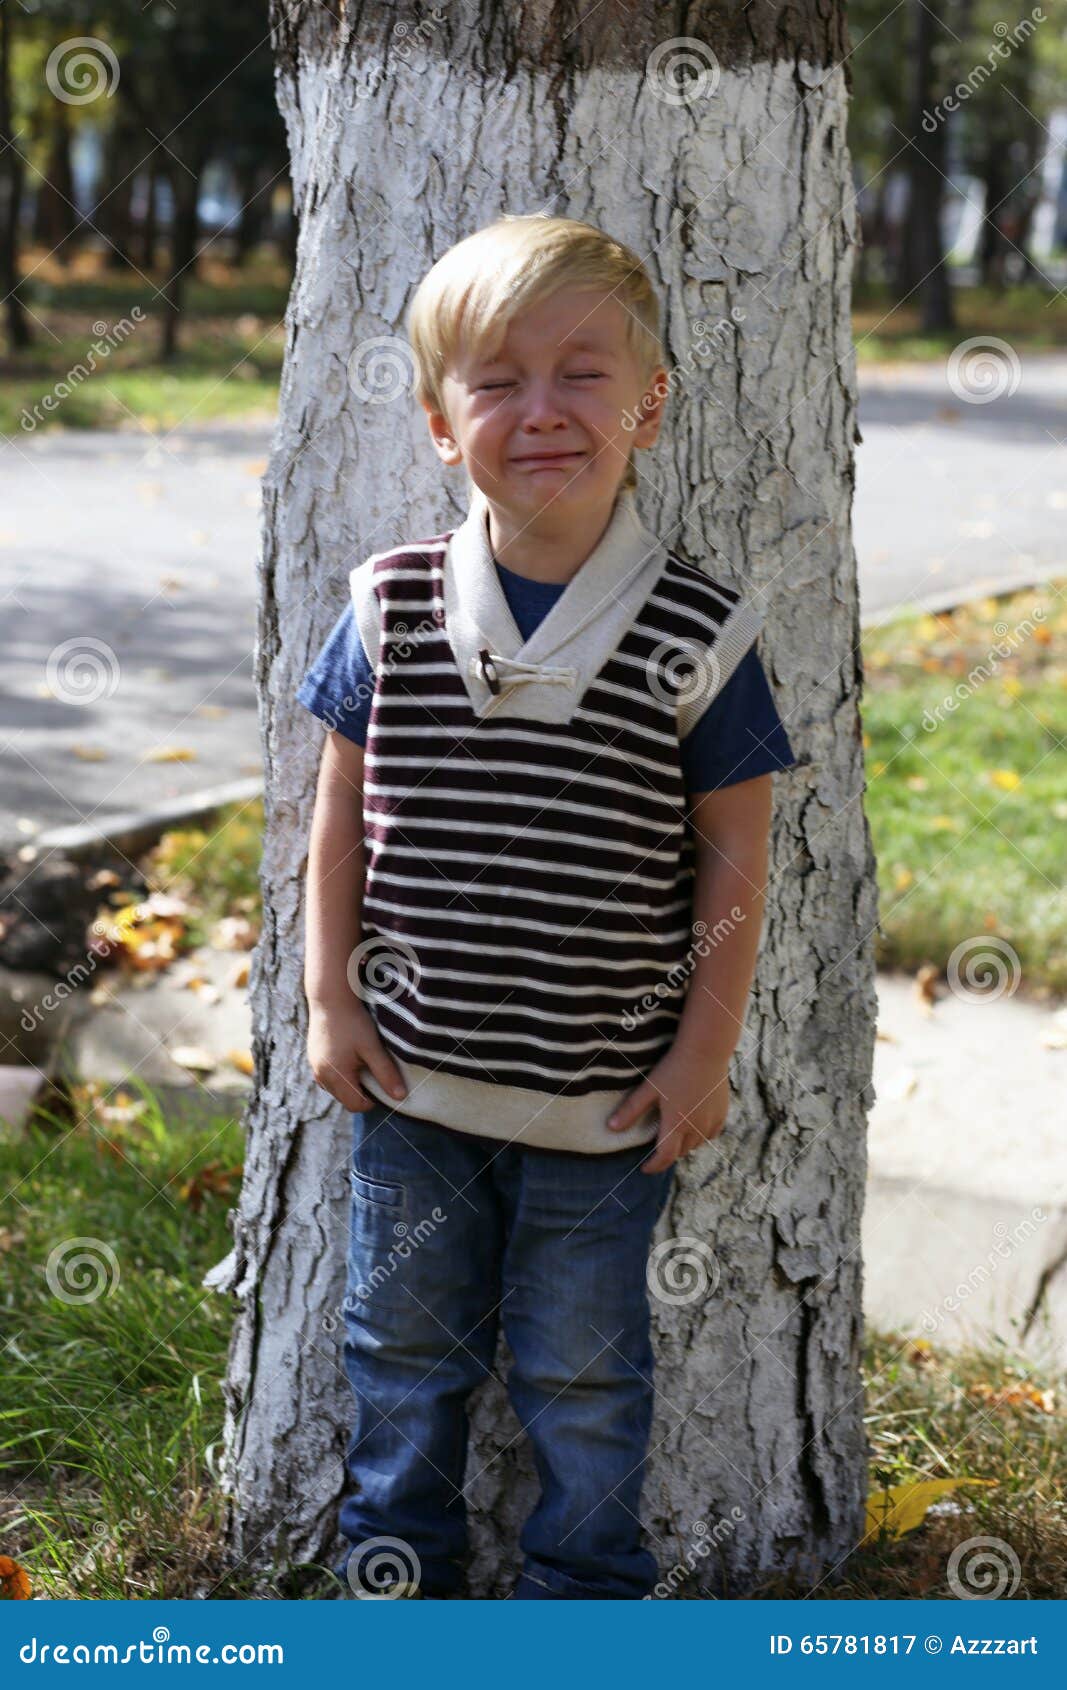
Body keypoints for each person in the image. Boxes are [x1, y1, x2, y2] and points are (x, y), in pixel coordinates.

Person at [297, 214, 797, 1600]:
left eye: (583, 372)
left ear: (649, 402)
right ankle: (396, 1587)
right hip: (409, 1093)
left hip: (599, 1107)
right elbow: (338, 814)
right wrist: (329, 993)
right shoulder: (391, 604)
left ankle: (580, 1610)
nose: (543, 408)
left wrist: (705, 1046)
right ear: (441, 422)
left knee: (583, 1377)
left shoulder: (697, 630)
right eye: (497, 378)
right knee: (400, 1356)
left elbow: (736, 851)